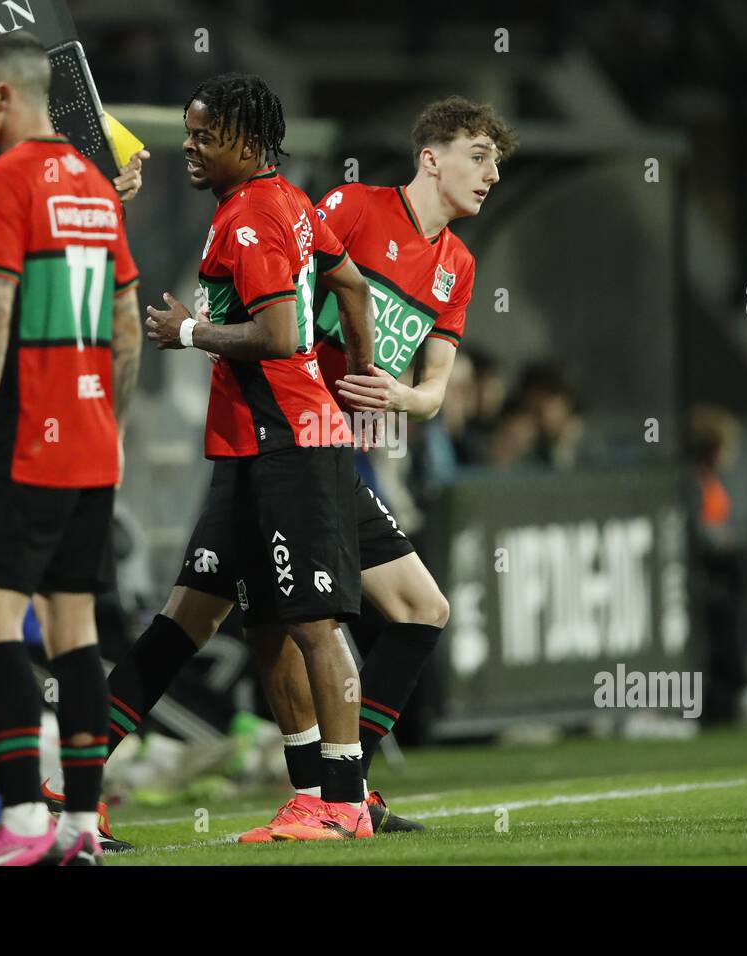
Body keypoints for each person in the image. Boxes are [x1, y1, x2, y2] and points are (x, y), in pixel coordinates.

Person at [238, 95, 517, 839]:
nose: (491, 175)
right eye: (480, 156)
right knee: (229, 621)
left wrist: (404, 395)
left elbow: (433, 391)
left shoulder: (457, 264)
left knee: (421, 611)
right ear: (432, 157)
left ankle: (344, 788)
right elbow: (285, 301)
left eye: (497, 162)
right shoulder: (354, 208)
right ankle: (75, 796)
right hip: (283, 439)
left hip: (339, 456)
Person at [114, 71, 379, 841]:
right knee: (254, 625)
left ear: (248, 142)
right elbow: (352, 286)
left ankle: (343, 803)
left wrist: (188, 333)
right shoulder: (286, 202)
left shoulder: (252, 217)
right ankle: (312, 793)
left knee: (314, 624)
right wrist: (355, 375)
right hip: (253, 448)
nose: (190, 148)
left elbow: (282, 334)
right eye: (189, 134)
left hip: (289, 444)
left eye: (203, 136)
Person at [0, 32, 142, 867]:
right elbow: (127, 323)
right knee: (74, 629)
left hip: (25, 434)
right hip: (91, 440)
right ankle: (81, 826)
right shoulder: (97, 187)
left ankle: (23, 816)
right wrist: (113, 426)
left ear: (2, 97)